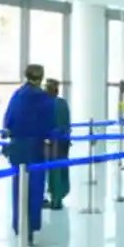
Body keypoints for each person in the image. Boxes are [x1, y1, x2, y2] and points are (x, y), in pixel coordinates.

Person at [3, 64, 56, 246]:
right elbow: (49, 125)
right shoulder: (44, 99)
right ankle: (30, 228)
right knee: (34, 190)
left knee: (18, 189)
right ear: (41, 77)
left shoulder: (17, 96)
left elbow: (8, 121)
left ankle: (19, 226)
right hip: (35, 149)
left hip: (17, 149)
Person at [43, 78, 72, 209]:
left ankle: (56, 199)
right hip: (64, 141)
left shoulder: (47, 104)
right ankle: (59, 196)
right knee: (62, 169)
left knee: (54, 171)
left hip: (52, 142)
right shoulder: (63, 103)